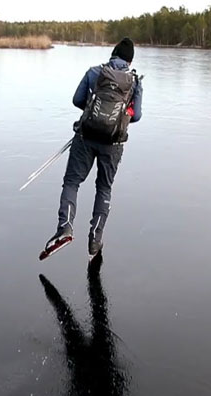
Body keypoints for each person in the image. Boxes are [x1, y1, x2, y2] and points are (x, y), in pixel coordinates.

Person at [44, 38, 143, 260]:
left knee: (72, 182)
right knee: (104, 188)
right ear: (130, 60)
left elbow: (77, 99)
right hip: (113, 144)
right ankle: (95, 239)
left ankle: (66, 227)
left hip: (85, 137)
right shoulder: (134, 81)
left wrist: (92, 112)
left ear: (113, 54)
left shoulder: (94, 72)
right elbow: (136, 116)